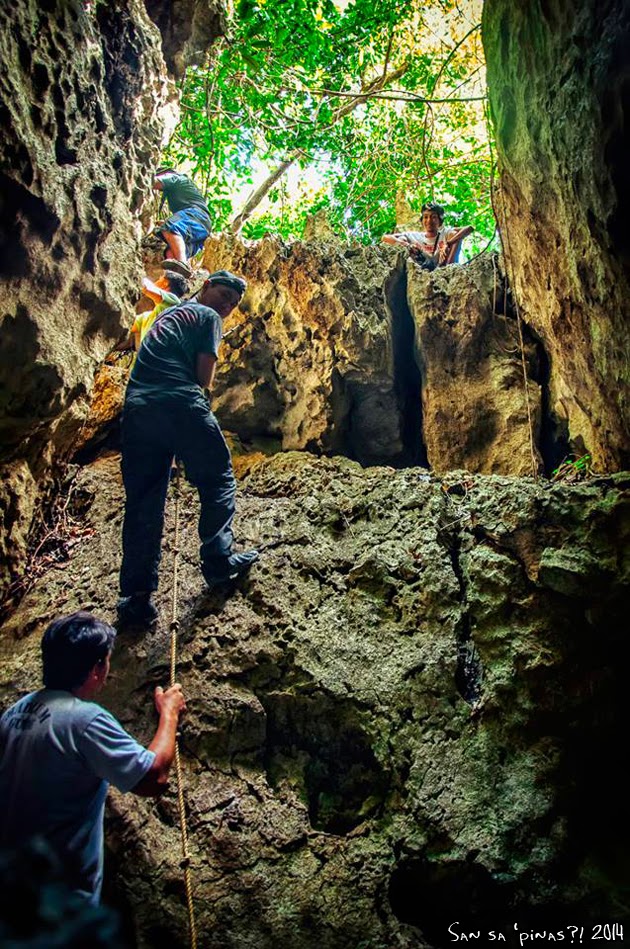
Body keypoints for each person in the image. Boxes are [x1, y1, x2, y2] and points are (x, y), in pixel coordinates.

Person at [0, 611, 186, 905]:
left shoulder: (14, 713)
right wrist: (170, 713)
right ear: (97, 669)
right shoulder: (83, 721)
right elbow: (153, 778)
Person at [117, 270, 259, 627]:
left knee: (144, 501)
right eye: (224, 295)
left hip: (137, 408)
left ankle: (136, 599)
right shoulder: (207, 317)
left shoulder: (166, 315)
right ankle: (218, 561)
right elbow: (203, 378)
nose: (226, 306)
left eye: (233, 303)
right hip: (180, 400)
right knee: (218, 480)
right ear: (206, 286)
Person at [112, 270, 189, 356]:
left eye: (160, 279)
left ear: (165, 283)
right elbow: (128, 325)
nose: (156, 281)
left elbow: (147, 288)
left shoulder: (174, 303)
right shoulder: (147, 317)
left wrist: (135, 274)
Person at [381, 202, 474, 269]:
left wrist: (448, 244)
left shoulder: (445, 233)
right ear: (422, 220)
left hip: (442, 268)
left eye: (433, 217)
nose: (429, 220)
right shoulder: (414, 236)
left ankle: (449, 269)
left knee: (454, 235)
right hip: (419, 271)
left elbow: (469, 228)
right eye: (425, 217)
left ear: (440, 221)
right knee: (401, 239)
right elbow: (385, 238)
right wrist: (407, 245)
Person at [153, 166, 213, 266]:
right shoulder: (185, 187)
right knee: (171, 254)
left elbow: (154, 182)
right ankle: (178, 276)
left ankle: (182, 264)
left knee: (170, 228)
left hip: (196, 214)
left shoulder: (176, 178)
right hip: (203, 226)